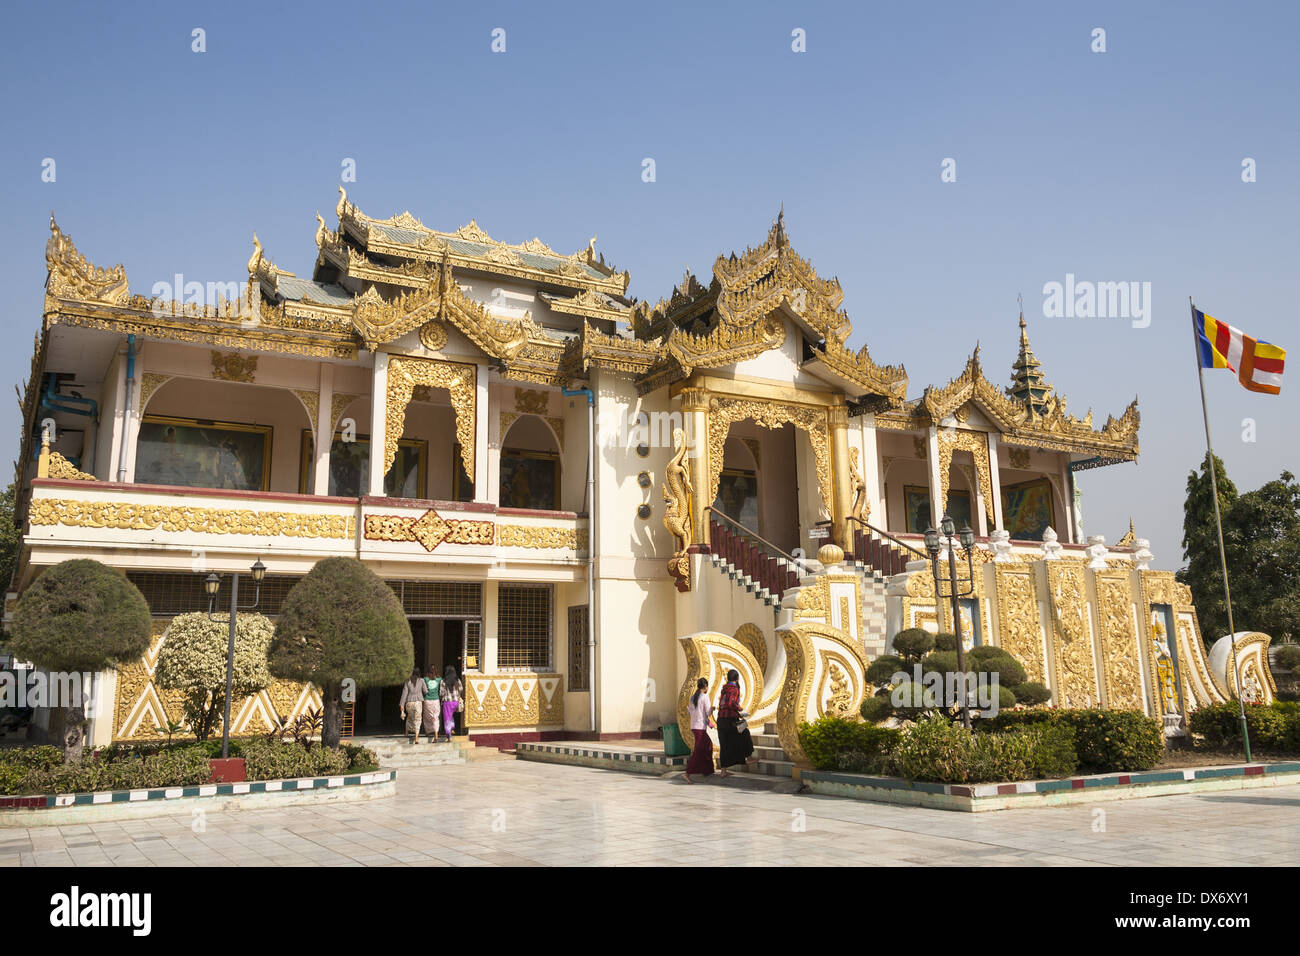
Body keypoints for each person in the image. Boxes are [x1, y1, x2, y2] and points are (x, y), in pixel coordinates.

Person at [684, 677, 728, 782]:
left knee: (708, 745)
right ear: (705, 687)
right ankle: (688, 773)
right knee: (699, 750)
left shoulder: (693, 698)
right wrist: (712, 709)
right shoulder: (704, 697)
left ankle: (707, 770)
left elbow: (690, 712)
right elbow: (708, 713)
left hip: (695, 726)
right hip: (700, 727)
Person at [716, 669, 757, 771]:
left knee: (724, 744)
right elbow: (730, 703)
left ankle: (723, 771)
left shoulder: (724, 688)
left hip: (721, 719)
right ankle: (749, 757)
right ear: (737, 678)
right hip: (730, 720)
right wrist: (739, 708)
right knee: (745, 732)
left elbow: (724, 704)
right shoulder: (734, 689)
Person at [398, 669, 424, 744]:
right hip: (418, 703)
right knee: (418, 719)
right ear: (419, 674)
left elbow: (404, 694)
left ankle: (406, 732)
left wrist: (402, 705)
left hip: (409, 703)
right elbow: (425, 691)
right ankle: (416, 738)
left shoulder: (407, 681)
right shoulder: (421, 681)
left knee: (409, 717)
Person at [440, 664, 463, 742]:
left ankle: (448, 736)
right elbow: (461, 689)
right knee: (450, 716)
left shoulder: (443, 681)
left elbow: (441, 693)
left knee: (447, 719)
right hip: (456, 702)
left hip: (448, 703)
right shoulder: (457, 680)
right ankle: (452, 728)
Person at [421, 666, 442, 744]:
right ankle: (436, 734)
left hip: (427, 701)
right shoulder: (439, 680)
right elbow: (440, 679)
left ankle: (428, 732)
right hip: (436, 701)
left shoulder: (425, 679)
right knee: (435, 717)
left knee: (427, 717)